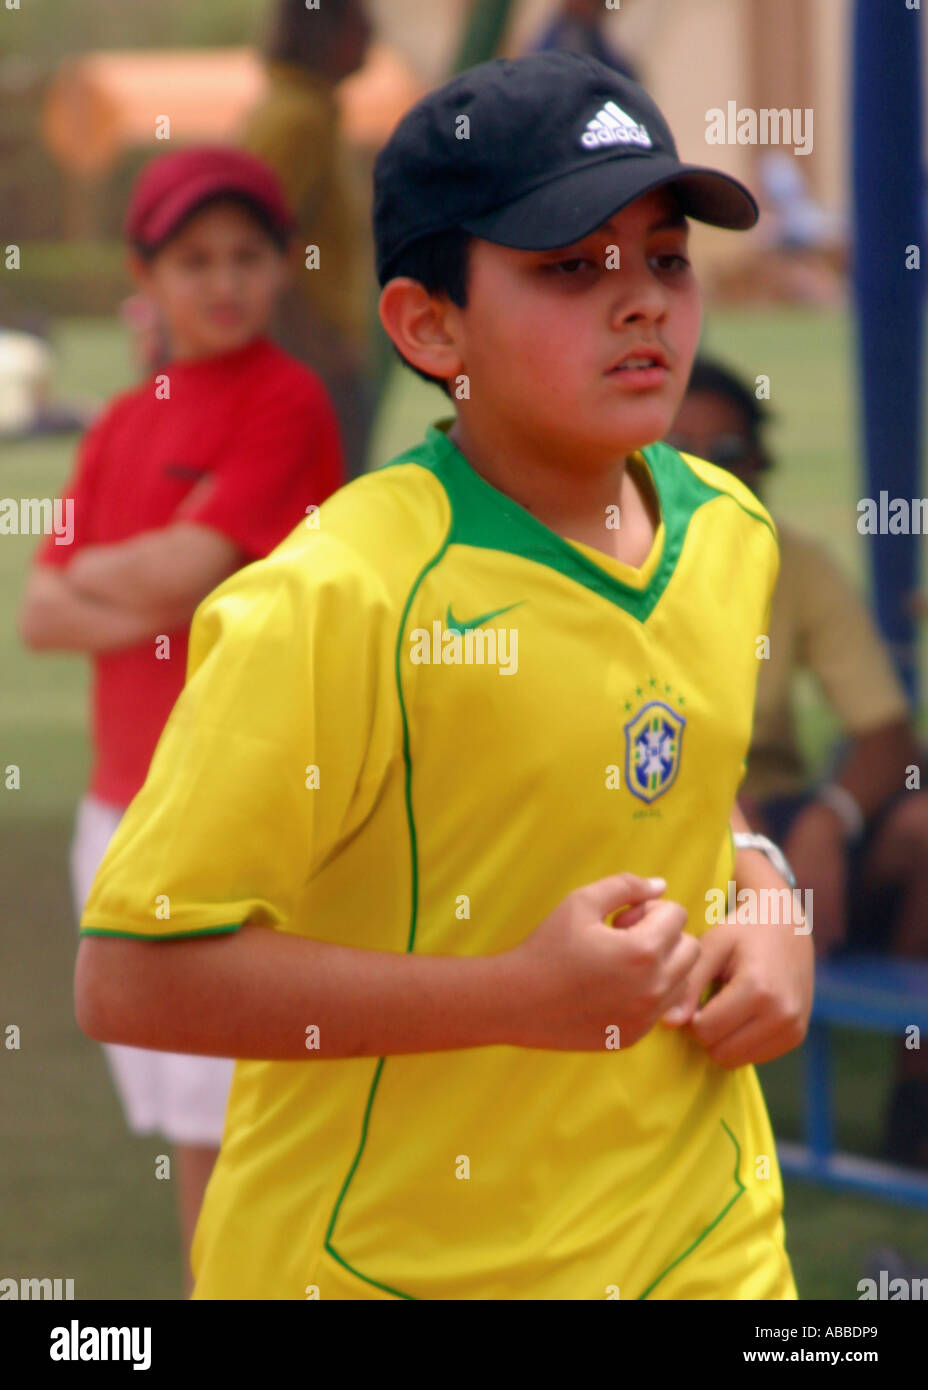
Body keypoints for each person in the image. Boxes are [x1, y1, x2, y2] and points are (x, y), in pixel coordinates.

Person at [74, 54, 812, 1300]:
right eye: (572, 266)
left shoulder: (727, 528)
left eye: (665, 255)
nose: (641, 302)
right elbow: (134, 972)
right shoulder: (341, 597)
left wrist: (770, 895)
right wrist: (516, 995)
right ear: (429, 325)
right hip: (395, 1268)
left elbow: (686, 786)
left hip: (705, 1248)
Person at [18, 146, 346, 1293]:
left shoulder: (285, 398)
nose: (221, 282)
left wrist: (127, 582)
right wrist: (145, 584)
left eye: (246, 256)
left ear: (278, 270)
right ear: (143, 276)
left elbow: (197, 565)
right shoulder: (117, 424)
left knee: (252, 1130)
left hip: (237, 814)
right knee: (188, 1131)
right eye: (192, 259)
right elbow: (42, 615)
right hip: (120, 813)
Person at [667, 356, 928, 1169]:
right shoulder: (597, 561)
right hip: (666, 824)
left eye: (728, 448)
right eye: (678, 448)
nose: (704, 469)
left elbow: (888, 733)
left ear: (759, 464)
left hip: (775, 817)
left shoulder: (796, 563)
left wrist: (828, 817)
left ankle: (913, 1108)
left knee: (922, 825)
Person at [240, 0, 377, 478]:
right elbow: (255, 243)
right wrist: (316, 348)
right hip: (308, 363)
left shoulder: (310, 112)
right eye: (360, 21)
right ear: (325, 30)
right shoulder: (298, 120)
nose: (372, 34)